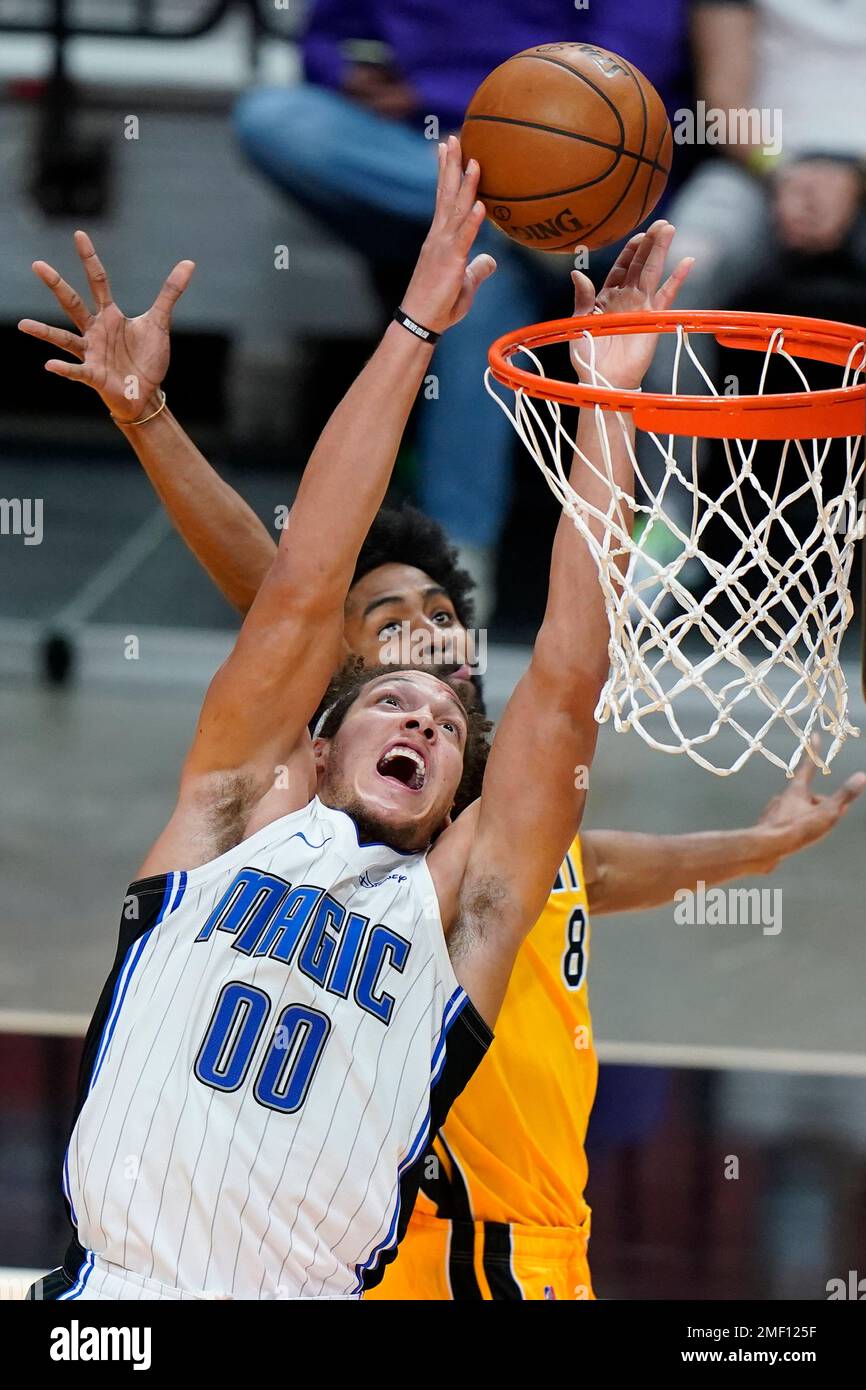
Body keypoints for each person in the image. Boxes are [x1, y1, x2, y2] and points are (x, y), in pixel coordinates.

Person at [21, 195, 863, 1299]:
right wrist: (415, 326)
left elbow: (566, 677)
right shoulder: (224, 829)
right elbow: (296, 587)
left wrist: (608, 399)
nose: (422, 707)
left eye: (448, 711)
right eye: (388, 691)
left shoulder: (458, 908)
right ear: (314, 746)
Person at [234, 0, 694, 617]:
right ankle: (510, 224)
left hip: (583, 171)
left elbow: (635, 70)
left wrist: (486, 127)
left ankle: (454, 559)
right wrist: (348, 75)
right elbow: (330, 38)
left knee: (480, 279)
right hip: (415, 161)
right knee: (272, 117)